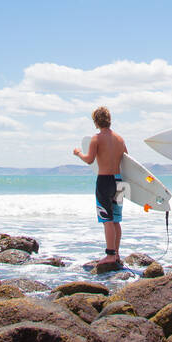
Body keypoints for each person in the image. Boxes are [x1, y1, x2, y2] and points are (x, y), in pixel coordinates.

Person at [73, 106, 127, 267]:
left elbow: (89, 160)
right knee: (116, 219)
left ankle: (110, 255)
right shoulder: (120, 139)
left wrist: (78, 153)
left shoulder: (96, 139)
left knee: (107, 219)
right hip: (120, 182)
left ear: (96, 122)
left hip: (105, 181)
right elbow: (127, 162)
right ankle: (117, 254)